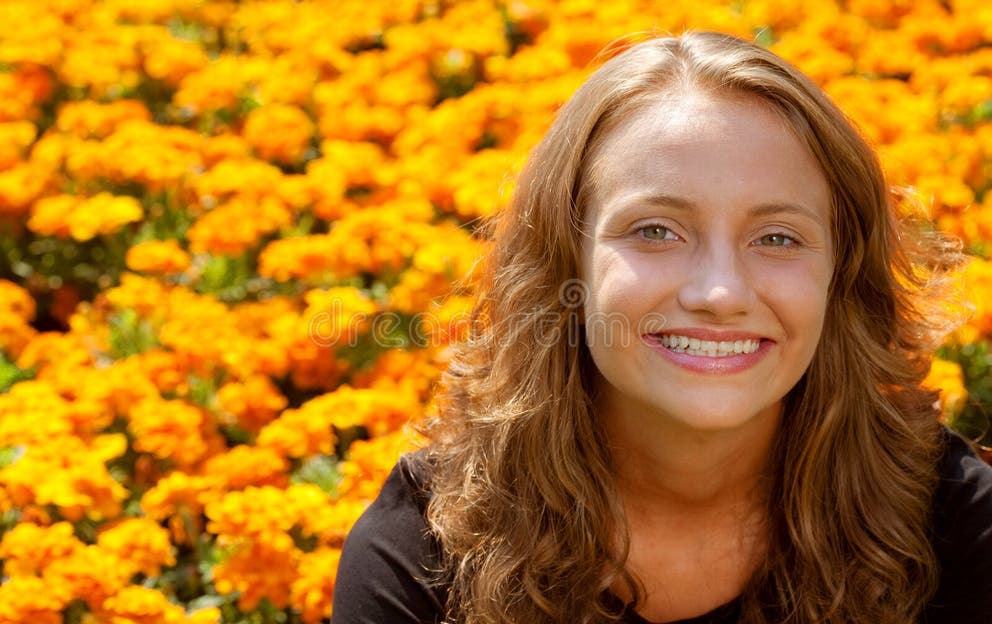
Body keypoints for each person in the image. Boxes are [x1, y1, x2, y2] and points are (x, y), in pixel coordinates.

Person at [330, 31, 992, 624]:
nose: (720, 294)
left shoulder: (953, 522)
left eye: (778, 237)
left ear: (838, 275)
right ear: (567, 262)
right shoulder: (423, 552)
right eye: (655, 231)